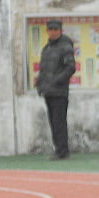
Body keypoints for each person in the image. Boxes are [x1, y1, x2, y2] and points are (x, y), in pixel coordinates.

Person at [35, 20, 76, 160]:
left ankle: (63, 152)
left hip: (59, 91)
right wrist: (40, 84)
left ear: (60, 30)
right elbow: (44, 69)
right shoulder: (47, 48)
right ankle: (58, 149)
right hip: (48, 91)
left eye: (55, 29)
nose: (53, 32)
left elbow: (70, 68)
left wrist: (56, 81)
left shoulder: (65, 46)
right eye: (50, 29)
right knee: (53, 122)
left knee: (59, 122)